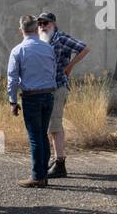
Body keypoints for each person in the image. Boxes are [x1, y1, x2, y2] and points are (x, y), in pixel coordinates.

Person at [7, 14, 57, 188]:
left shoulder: (18, 50)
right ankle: (43, 173)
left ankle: (38, 176)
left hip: (32, 96)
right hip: (49, 94)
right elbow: (53, 70)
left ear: (21, 29)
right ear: (36, 28)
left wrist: (12, 102)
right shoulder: (48, 48)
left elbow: (12, 79)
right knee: (42, 134)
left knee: (35, 137)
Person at [36, 11, 87, 179]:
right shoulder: (42, 40)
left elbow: (84, 48)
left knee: (55, 126)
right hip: (47, 88)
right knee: (52, 126)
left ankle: (60, 163)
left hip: (58, 87)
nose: (43, 26)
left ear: (54, 24)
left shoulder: (61, 38)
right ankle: (56, 158)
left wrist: (70, 66)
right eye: (40, 23)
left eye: (46, 23)